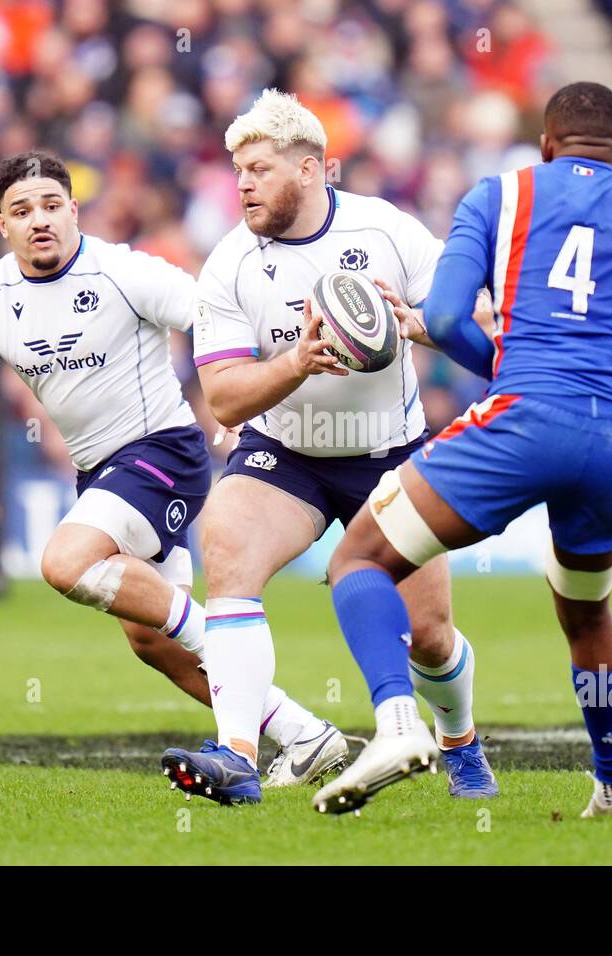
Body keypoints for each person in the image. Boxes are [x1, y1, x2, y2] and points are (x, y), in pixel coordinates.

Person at [314, 82, 612, 817]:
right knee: (586, 613)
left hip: (522, 419)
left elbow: (442, 316)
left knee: (359, 559)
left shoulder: (498, 195)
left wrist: (509, 372)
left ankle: (399, 727)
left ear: (545, 144)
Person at [0, 151, 339, 790]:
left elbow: (215, 319)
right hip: (99, 473)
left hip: (163, 451)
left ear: (73, 210)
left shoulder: (123, 272)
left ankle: (230, 640)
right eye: (21, 211)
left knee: (65, 563)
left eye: (50, 205)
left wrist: (240, 398)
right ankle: (304, 735)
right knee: (154, 644)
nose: (39, 220)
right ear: (1, 224)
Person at [159, 90, 496, 806]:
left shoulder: (386, 230)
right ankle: (239, 757)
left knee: (431, 636)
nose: (242, 184)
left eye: (258, 169)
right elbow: (222, 396)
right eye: (237, 171)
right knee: (225, 546)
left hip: (389, 454)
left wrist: (418, 324)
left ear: (311, 170)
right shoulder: (228, 264)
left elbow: (477, 322)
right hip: (288, 458)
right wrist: (297, 363)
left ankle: (461, 745)